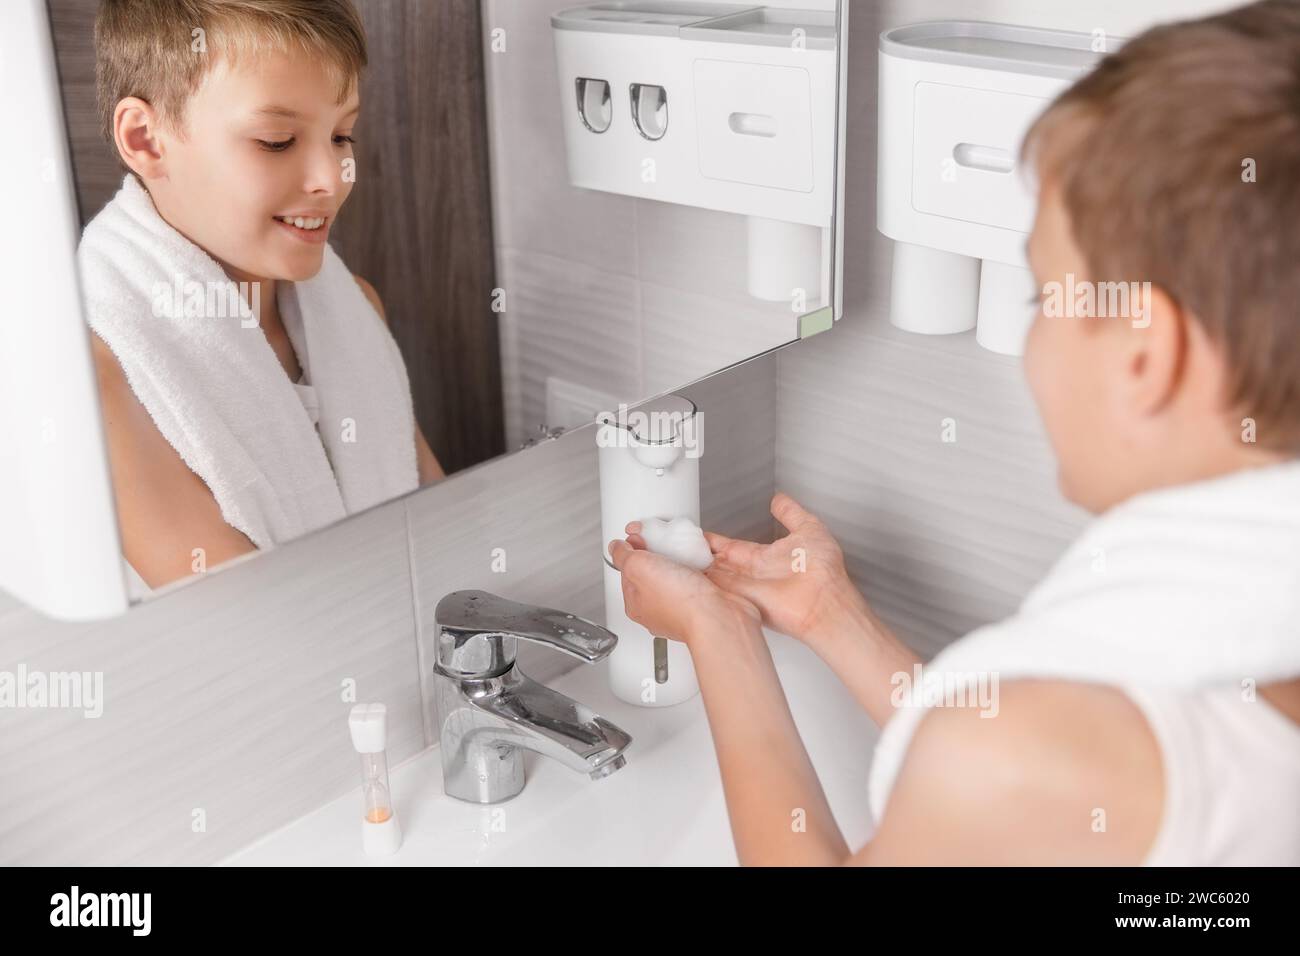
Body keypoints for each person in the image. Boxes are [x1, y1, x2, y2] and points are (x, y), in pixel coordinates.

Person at [609, 0, 1300, 865]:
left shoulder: (1046, 754)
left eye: (1044, 296)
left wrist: (719, 635)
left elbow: (1020, 779)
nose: (1036, 342)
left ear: (1145, 357)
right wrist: (833, 618)